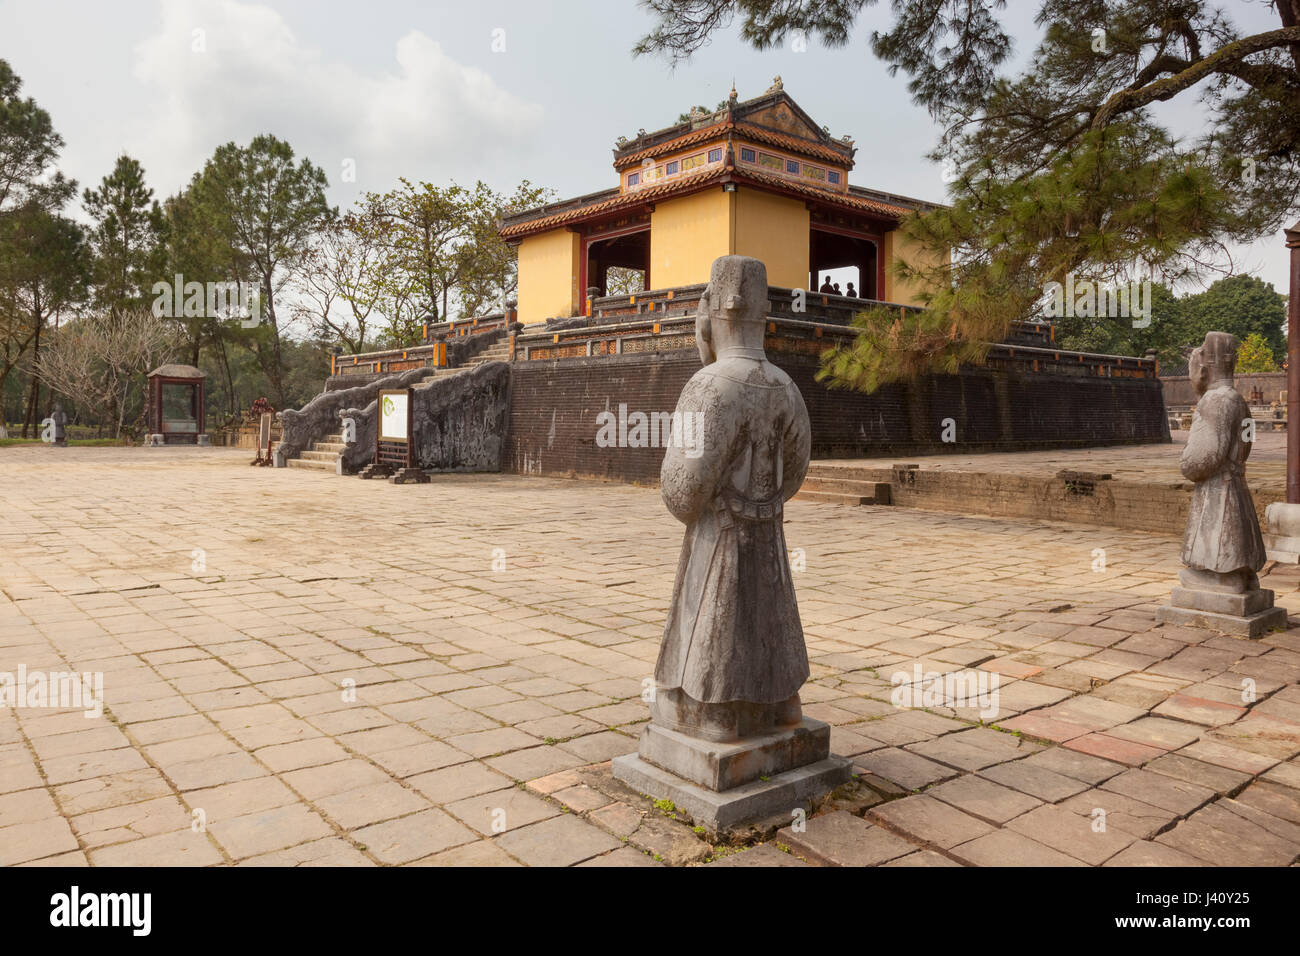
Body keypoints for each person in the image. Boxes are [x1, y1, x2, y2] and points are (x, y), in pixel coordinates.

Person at [654, 255, 812, 740]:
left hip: (718, 535)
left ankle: (715, 709)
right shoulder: (786, 386)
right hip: (767, 531)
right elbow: (797, 470)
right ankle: (781, 702)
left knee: (716, 620)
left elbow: (682, 491)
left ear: (714, 311)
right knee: (771, 611)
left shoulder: (707, 387)